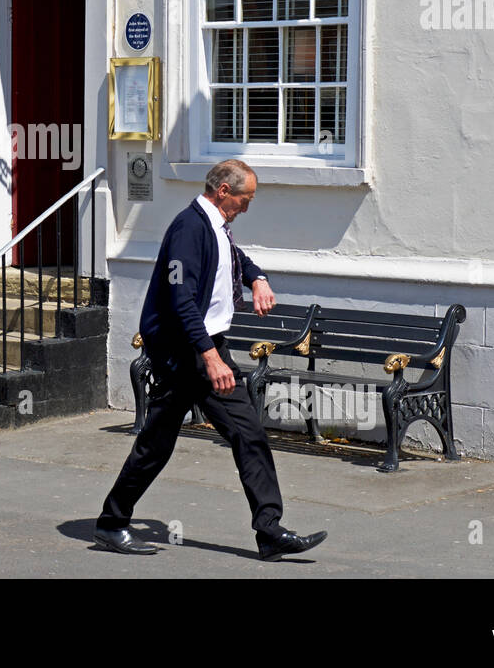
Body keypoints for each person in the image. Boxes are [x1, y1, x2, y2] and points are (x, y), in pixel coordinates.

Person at [93, 159, 328, 560]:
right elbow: (180, 299)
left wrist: (258, 278)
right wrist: (209, 357)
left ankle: (268, 530)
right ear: (222, 191)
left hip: (206, 348)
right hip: (185, 351)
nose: (247, 206)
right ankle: (112, 524)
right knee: (158, 444)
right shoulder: (189, 229)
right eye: (244, 198)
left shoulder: (215, 227)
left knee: (246, 433)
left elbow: (233, 257)